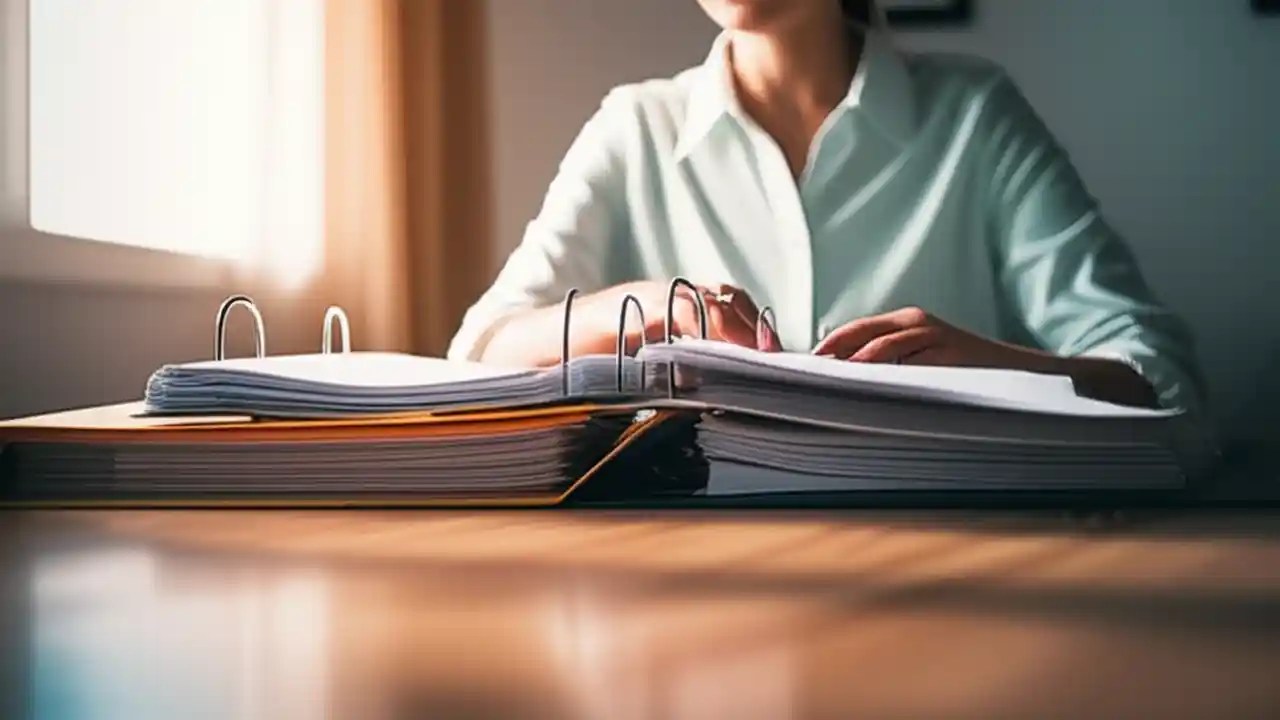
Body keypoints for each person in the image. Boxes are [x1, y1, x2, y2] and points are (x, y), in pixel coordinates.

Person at [448, 0, 1204, 415]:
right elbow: (479, 350)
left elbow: (1159, 377)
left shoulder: (975, 116)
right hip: (689, 576)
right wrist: (646, 308)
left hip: (951, 569)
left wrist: (992, 370)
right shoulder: (634, 127)